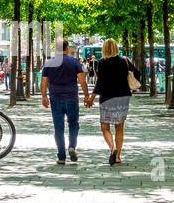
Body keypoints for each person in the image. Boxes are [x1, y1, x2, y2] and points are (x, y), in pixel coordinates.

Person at [41, 36, 92, 164]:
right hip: (71, 97)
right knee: (73, 124)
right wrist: (86, 95)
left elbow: (44, 82)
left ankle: (61, 156)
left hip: (55, 97)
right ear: (67, 48)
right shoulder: (74, 62)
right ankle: (72, 146)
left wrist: (44, 96)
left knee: (58, 127)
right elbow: (82, 80)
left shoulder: (49, 63)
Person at [94, 38, 138, 165]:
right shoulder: (124, 60)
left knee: (105, 127)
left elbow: (99, 82)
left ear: (104, 48)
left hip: (107, 98)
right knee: (119, 127)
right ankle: (118, 156)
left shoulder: (102, 62)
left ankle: (112, 148)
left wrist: (91, 98)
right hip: (123, 97)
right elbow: (137, 73)